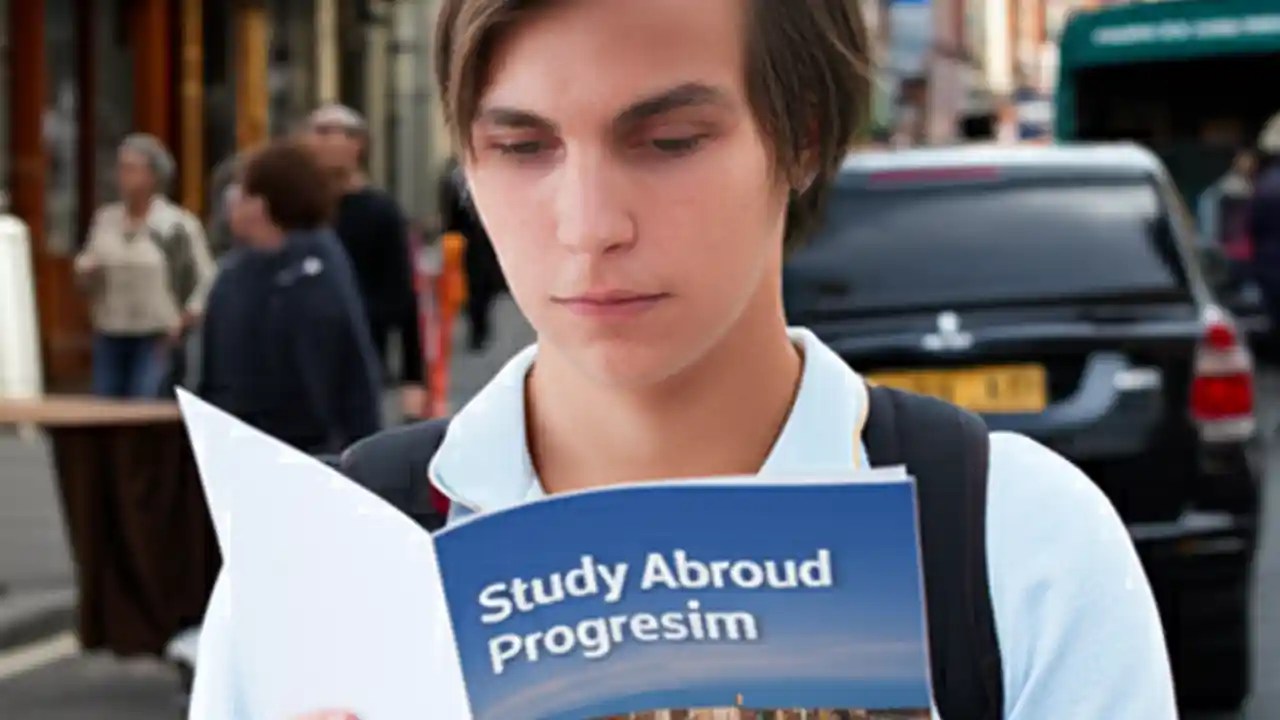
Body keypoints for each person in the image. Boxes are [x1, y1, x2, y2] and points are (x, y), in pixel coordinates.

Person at [193, 1, 1176, 718]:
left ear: (799, 141)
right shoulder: (321, 566)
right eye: (522, 147)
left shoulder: (1018, 546)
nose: (588, 228)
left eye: (666, 141)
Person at [197, 138, 382, 455]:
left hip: (307, 455)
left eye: (243, 192)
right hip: (238, 451)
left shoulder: (316, 271)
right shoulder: (235, 272)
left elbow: (347, 375)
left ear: (264, 203)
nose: (231, 202)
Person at [304, 103, 427, 415]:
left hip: (362, 353)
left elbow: (404, 294)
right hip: (300, 356)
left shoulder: (380, 211)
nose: (320, 142)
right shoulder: (299, 210)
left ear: (357, 143)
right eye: (316, 132)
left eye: (330, 132)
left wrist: (415, 377)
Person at [73, 133, 215, 398]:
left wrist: (184, 321)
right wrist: (85, 271)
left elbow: (205, 281)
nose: (122, 176)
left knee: (144, 406)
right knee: (104, 411)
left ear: (153, 176)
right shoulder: (106, 219)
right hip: (110, 333)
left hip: (156, 337)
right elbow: (87, 269)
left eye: (131, 168)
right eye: (120, 168)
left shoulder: (176, 225)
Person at [439, 156, 505, 350]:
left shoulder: (488, 180)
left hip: (484, 241)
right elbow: (448, 211)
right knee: (469, 286)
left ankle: (481, 325)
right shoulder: (452, 180)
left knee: (484, 286)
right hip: (463, 243)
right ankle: (476, 326)